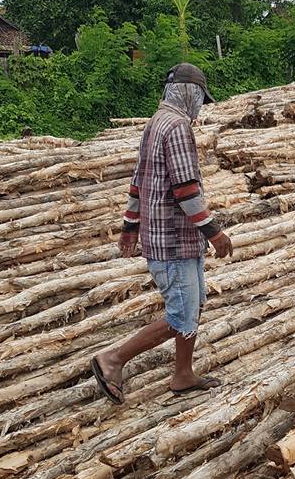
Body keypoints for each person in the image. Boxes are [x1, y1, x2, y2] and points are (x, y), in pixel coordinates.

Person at [91, 63, 233, 404]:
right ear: (189, 93)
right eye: (199, 97)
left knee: (194, 306)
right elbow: (185, 190)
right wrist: (214, 232)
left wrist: (130, 226)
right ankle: (112, 360)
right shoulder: (178, 127)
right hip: (173, 239)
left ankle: (183, 373)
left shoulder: (155, 123)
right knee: (181, 315)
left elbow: (139, 181)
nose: (200, 106)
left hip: (170, 235)